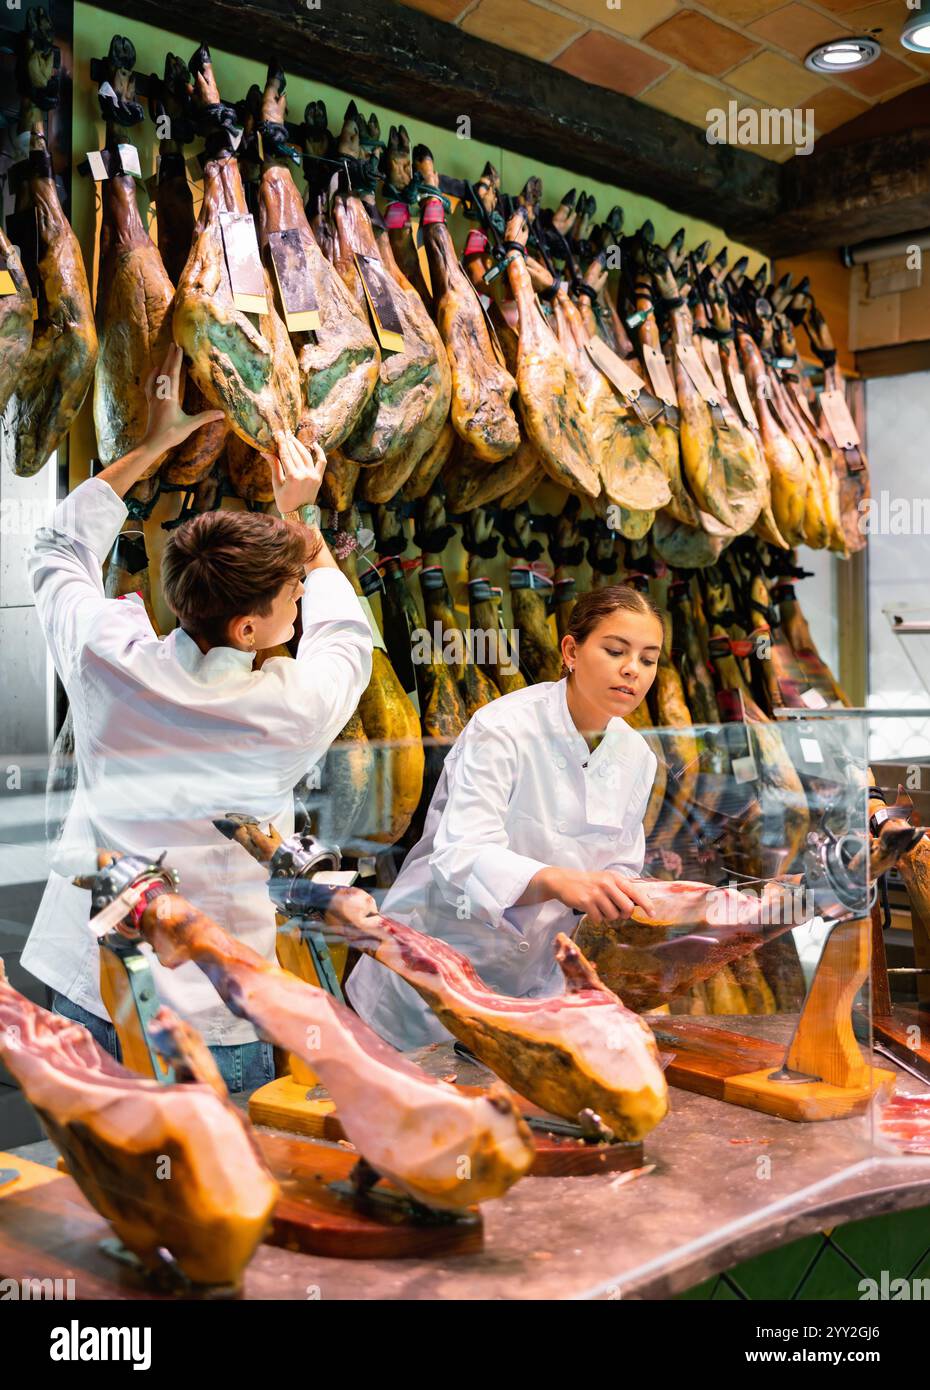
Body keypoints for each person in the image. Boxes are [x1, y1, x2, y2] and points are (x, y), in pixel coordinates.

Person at [22, 346, 374, 1091]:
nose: (301, 600)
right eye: (289, 597)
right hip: (213, 1008)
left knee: (101, 1196)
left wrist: (150, 447)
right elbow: (349, 638)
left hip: (94, 986)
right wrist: (299, 517)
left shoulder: (106, 658)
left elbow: (56, 545)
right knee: (222, 1195)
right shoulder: (289, 707)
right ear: (247, 630)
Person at [347, 583, 663, 1051]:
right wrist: (559, 881)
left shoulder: (637, 756)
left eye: (648, 658)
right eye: (616, 650)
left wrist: (624, 895)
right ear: (571, 651)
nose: (632, 670)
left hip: (531, 987)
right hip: (430, 981)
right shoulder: (504, 728)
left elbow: (620, 863)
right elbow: (460, 855)